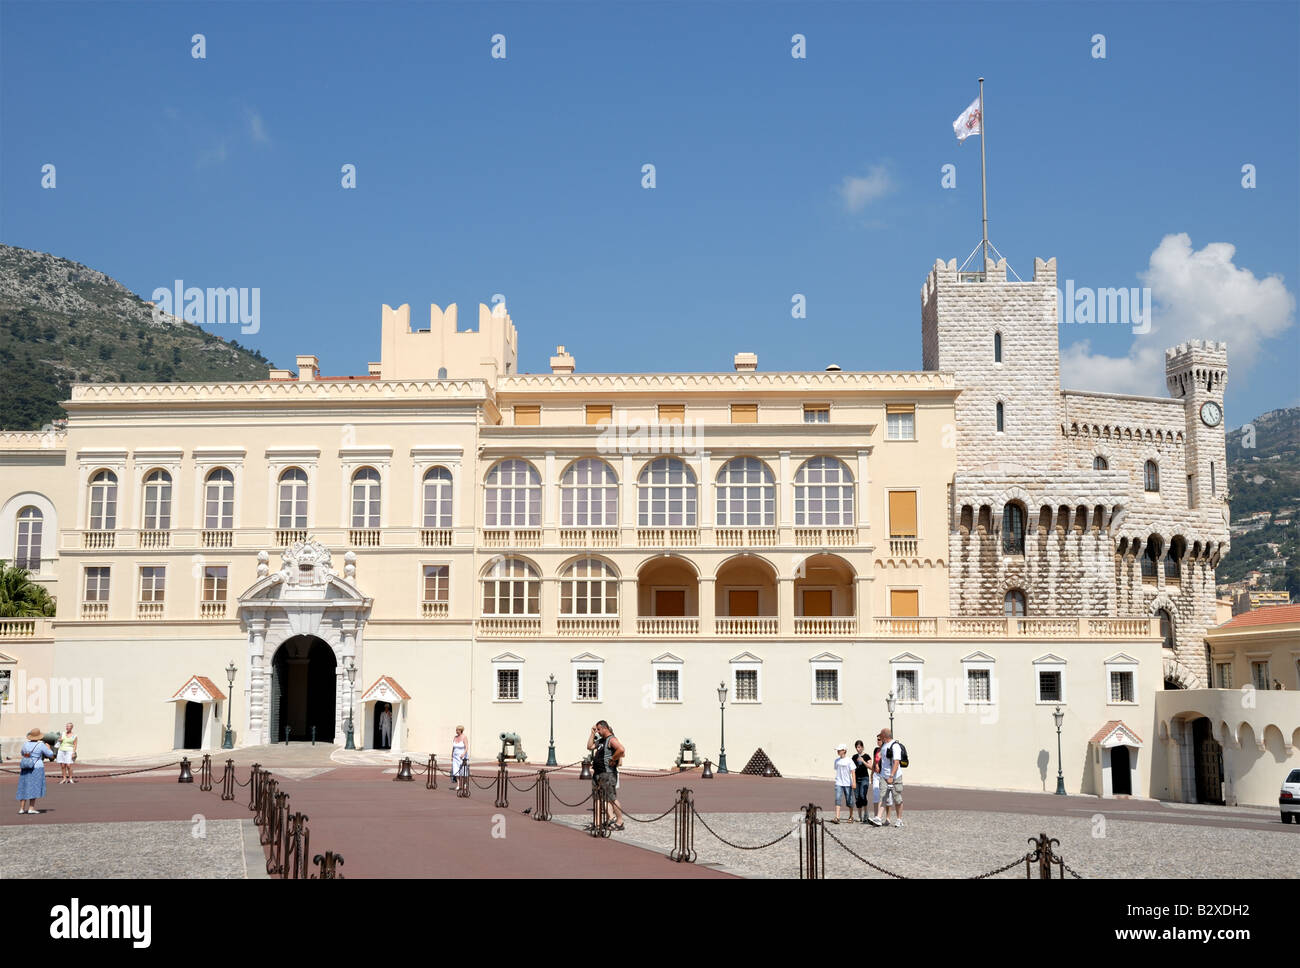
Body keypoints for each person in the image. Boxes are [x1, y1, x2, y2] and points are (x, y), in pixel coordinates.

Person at [586, 720, 625, 830]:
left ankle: (619, 821)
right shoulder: (601, 741)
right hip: (598, 773)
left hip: (607, 773)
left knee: (611, 798)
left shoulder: (611, 739)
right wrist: (592, 733)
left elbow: (621, 750)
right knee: (597, 798)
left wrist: (613, 759)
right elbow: (589, 746)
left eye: (598, 729)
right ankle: (597, 823)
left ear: (604, 728)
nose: (597, 731)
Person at [869, 728, 905, 828]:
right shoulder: (884, 745)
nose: (879, 737)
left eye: (881, 736)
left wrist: (891, 776)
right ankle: (879, 818)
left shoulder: (895, 746)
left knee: (897, 798)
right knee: (883, 796)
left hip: (894, 777)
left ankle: (899, 819)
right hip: (884, 776)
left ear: (885, 736)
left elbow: (896, 762)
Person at [16, 727, 54, 815]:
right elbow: (50, 755)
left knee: (24, 786)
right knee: (34, 787)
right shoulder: (41, 745)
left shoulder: (25, 744)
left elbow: (22, 753)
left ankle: (21, 808)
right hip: (37, 767)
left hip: (26, 766)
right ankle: (31, 808)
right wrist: (48, 747)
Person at [832, 743, 856, 823]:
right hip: (839, 782)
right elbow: (837, 770)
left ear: (844, 751)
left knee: (849, 800)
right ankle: (837, 817)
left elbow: (853, 772)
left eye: (839, 750)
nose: (838, 751)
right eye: (837, 750)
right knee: (838, 798)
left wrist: (854, 782)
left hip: (847, 783)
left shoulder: (849, 760)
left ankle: (851, 816)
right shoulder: (837, 761)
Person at [852, 739, 872, 817]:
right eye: (856, 747)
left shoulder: (867, 756)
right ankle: (859, 816)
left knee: (862, 795)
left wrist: (863, 761)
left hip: (864, 778)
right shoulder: (854, 757)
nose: (858, 749)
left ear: (863, 747)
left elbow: (871, 767)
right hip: (856, 778)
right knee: (857, 797)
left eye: (859, 747)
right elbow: (851, 768)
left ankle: (866, 813)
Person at [450, 725, 467, 792]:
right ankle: (458, 785)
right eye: (456, 730)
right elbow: (453, 747)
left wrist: (463, 754)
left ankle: (465, 784)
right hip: (455, 756)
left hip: (462, 757)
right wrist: (452, 755)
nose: (456, 731)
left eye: (458, 730)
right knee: (456, 770)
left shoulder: (464, 737)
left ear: (461, 730)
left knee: (463, 771)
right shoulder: (455, 737)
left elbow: (466, 747)